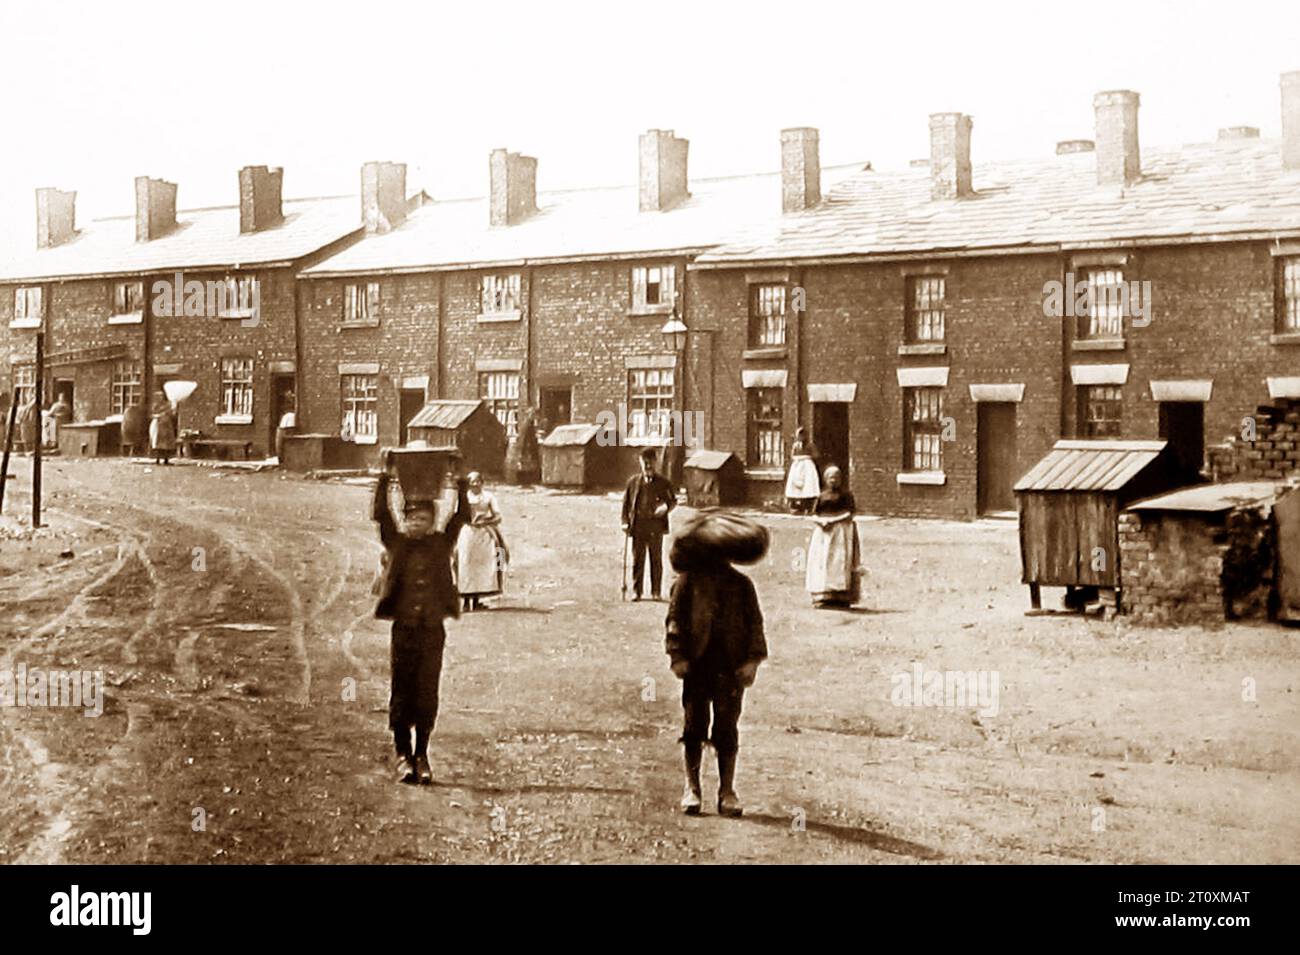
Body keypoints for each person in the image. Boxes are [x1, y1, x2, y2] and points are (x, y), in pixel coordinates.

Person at [373, 450, 470, 785]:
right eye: (412, 519)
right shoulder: (396, 544)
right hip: (404, 631)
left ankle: (422, 754)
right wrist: (385, 477)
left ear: (431, 522)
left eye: (424, 520)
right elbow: (381, 515)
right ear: (406, 521)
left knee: (427, 692)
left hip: (432, 631)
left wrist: (459, 481)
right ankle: (403, 755)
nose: (417, 524)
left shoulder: (441, 545)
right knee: (402, 690)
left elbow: (461, 517)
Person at [665, 515, 767, 817]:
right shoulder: (686, 583)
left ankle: (727, 791)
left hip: (730, 667)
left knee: (726, 727)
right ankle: (692, 788)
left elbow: (755, 625)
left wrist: (752, 661)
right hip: (697, 665)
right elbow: (674, 623)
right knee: (694, 726)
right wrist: (677, 657)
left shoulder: (742, 585)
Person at [621, 447, 676, 601]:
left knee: (655, 559)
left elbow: (672, 500)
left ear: (655, 463)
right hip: (638, 525)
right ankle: (637, 591)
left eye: (650, 463)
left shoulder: (663, 483)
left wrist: (665, 507)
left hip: (655, 527)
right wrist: (625, 523)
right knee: (638, 559)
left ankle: (656, 591)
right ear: (640, 463)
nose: (648, 467)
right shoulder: (633, 483)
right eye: (645, 463)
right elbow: (626, 505)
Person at [804, 465, 862, 608]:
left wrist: (833, 521)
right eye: (831, 477)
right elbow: (813, 514)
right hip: (823, 533)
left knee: (838, 561)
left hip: (840, 532)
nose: (833, 480)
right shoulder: (821, 496)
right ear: (826, 479)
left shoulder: (846, 495)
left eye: (836, 477)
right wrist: (821, 521)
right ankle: (823, 595)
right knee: (822, 561)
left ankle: (841, 596)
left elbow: (849, 513)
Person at [455, 471, 508, 611]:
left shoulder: (489, 497)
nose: (475, 484)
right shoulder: (463, 498)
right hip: (467, 533)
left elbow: (498, 517)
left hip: (485, 534)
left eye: (477, 481)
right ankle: (466, 601)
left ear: (482, 482)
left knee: (486, 563)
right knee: (465, 564)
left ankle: (477, 600)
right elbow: (456, 515)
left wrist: (485, 520)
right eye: (472, 482)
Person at [784, 426, 821, 513]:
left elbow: (816, 455)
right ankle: (796, 507)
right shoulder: (795, 446)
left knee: (808, 486)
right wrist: (796, 458)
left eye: (803, 435)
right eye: (799, 435)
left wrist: (807, 457)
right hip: (797, 466)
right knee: (795, 487)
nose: (801, 437)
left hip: (807, 467)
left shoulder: (810, 445)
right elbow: (791, 455)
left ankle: (807, 507)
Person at [148, 397, 178, 465]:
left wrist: (172, 412)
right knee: (157, 443)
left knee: (167, 444)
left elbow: (172, 414)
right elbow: (151, 415)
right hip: (158, 425)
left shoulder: (168, 404)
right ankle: (157, 459)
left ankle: (166, 459)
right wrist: (159, 415)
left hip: (166, 426)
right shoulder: (155, 406)